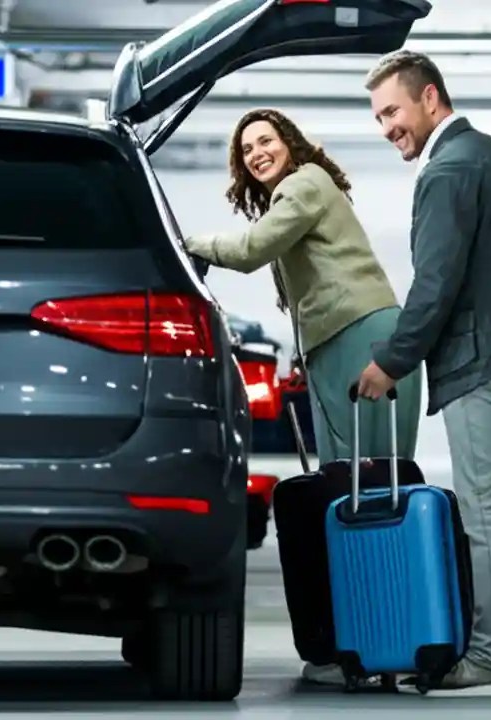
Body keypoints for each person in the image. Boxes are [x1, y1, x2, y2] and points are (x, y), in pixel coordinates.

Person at [181, 109, 424, 685]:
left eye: (265, 140)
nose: (257, 153)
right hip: (341, 341)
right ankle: (373, 643)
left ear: (288, 142)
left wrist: (186, 242)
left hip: (358, 337)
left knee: (368, 493)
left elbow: (248, 250)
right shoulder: (299, 190)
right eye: (246, 149)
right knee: (359, 490)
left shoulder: (305, 182)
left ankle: (382, 643)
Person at [355, 50, 491, 696]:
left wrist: (391, 360)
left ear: (430, 98)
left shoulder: (447, 169)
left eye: (392, 110)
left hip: (482, 362)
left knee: (487, 512)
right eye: (378, 116)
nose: (386, 126)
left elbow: (436, 284)